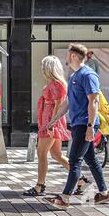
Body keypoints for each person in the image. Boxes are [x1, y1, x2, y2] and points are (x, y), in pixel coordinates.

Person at [45, 43, 109, 208]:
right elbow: (67, 102)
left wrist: (90, 126)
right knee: (91, 159)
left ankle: (64, 198)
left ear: (74, 56)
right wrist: (54, 120)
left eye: (68, 53)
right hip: (77, 124)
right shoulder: (74, 76)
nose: (66, 56)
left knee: (74, 160)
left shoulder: (88, 75)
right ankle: (104, 193)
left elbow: (93, 101)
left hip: (85, 124)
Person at [23, 56, 90, 196]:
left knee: (41, 153)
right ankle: (81, 180)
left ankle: (39, 186)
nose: (41, 69)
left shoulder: (57, 84)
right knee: (56, 154)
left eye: (43, 66)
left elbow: (59, 106)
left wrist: (51, 125)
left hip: (50, 122)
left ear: (49, 68)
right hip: (49, 121)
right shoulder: (55, 83)